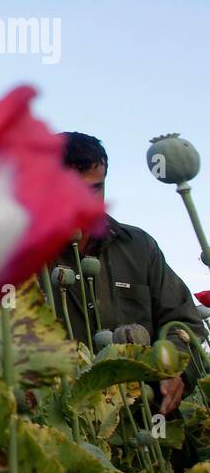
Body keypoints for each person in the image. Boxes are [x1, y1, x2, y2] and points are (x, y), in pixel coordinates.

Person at [49, 131, 202, 417]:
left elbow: (183, 322)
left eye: (95, 189)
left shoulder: (139, 247)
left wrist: (176, 369)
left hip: (150, 422)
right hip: (65, 428)